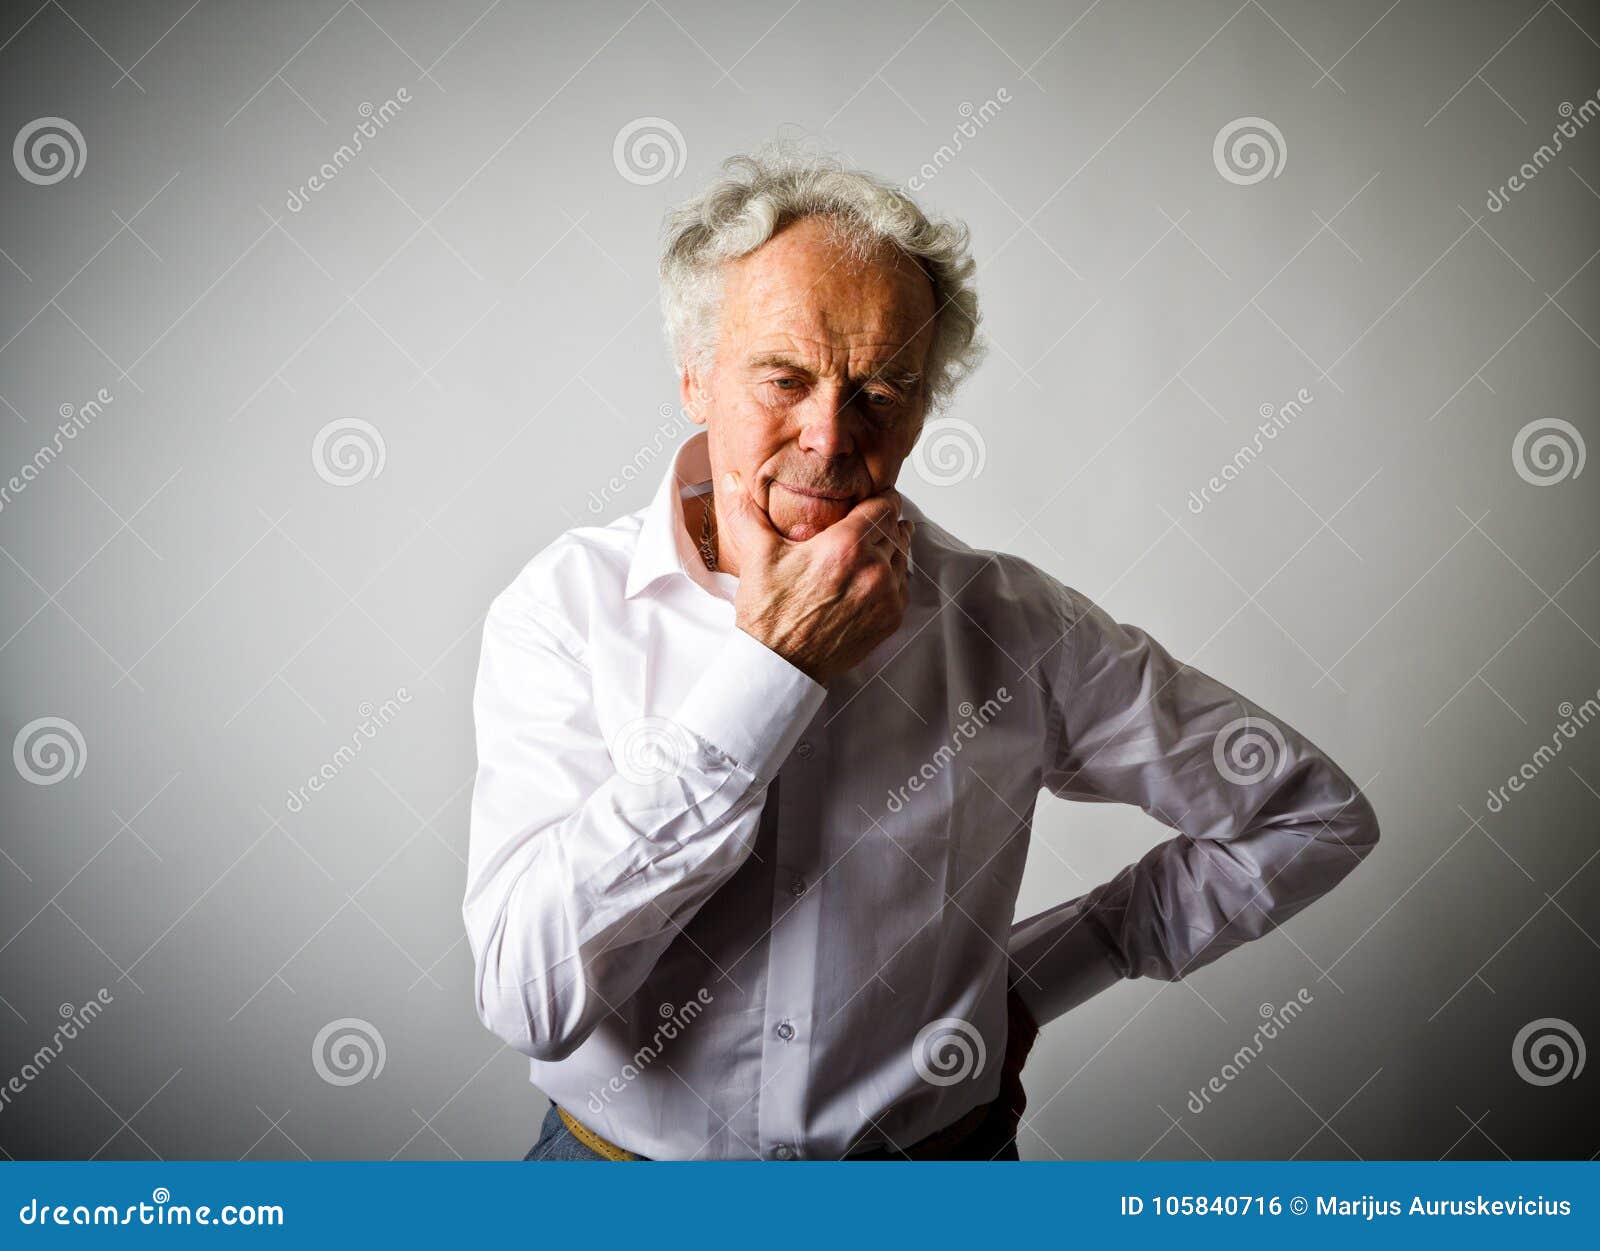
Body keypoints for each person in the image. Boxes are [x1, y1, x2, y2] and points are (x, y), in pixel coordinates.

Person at [462, 142, 1380, 1161]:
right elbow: (528, 999)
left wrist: (1038, 978)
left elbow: (1308, 815)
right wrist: (772, 670)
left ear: (923, 409)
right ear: (694, 376)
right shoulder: (566, 608)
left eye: (881, 390)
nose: (828, 435)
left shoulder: (1015, 623)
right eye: (783, 378)